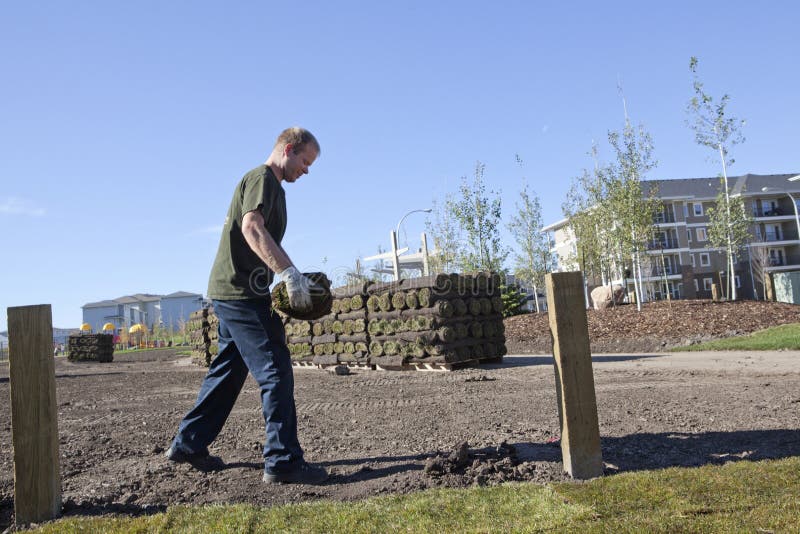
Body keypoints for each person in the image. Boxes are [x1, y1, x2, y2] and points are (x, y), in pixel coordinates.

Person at [166, 127, 327, 484]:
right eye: (305, 160)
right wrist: (288, 273)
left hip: (233, 291)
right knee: (276, 368)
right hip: (241, 295)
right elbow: (252, 228)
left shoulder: (271, 186)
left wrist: (289, 274)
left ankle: (188, 444)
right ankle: (283, 462)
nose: (306, 169)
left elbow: (258, 233)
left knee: (228, 371)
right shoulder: (263, 179)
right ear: (287, 150)